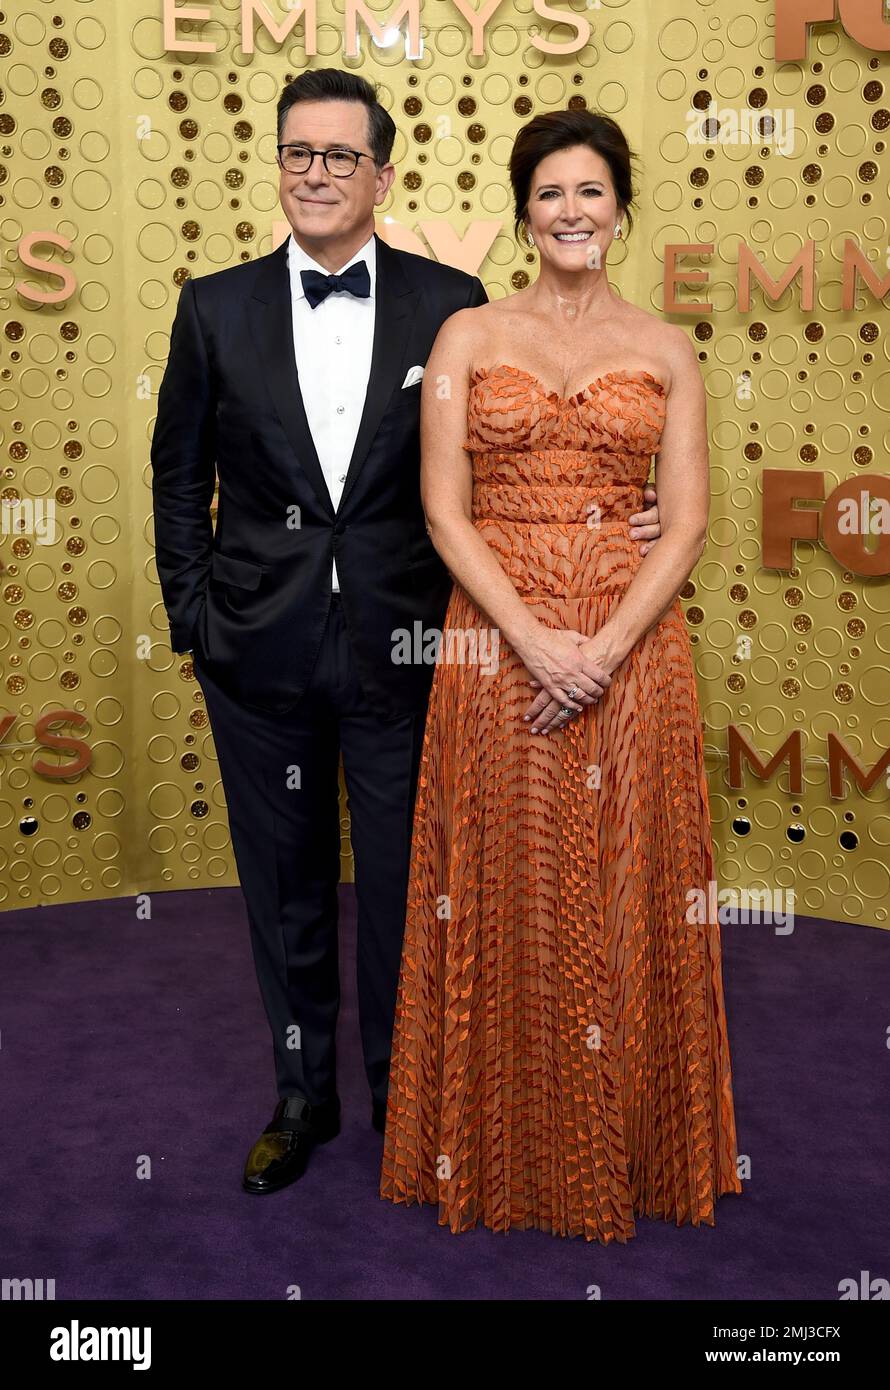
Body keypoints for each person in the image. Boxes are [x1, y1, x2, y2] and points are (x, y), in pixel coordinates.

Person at [150, 72, 664, 1198]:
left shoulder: (453, 300)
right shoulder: (211, 307)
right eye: (299, 154)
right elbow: (177, 477)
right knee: (281, 889)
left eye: (342, 157)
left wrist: (637, 503)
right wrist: (195, 619)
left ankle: (406, 1093)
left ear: (384, 175)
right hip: (257, 652)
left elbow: (510, 454)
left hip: (414, 650)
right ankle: (301, 1100)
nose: (318, 174)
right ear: (277, 167)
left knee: (408, 884)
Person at [380, 108, 742, 1243]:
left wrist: (602, 648)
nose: (571, 212)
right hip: (495, 649)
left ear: (620, 210)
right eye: (548, 194)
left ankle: (627, 1148)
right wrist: (533, 642)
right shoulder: (464, 338)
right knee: (505, 887)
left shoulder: (669, 345)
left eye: (590, 192)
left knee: (624, 888)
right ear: (522, 213)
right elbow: (441, 510)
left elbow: (681, 525)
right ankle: (500, 1147)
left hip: (632, 657)